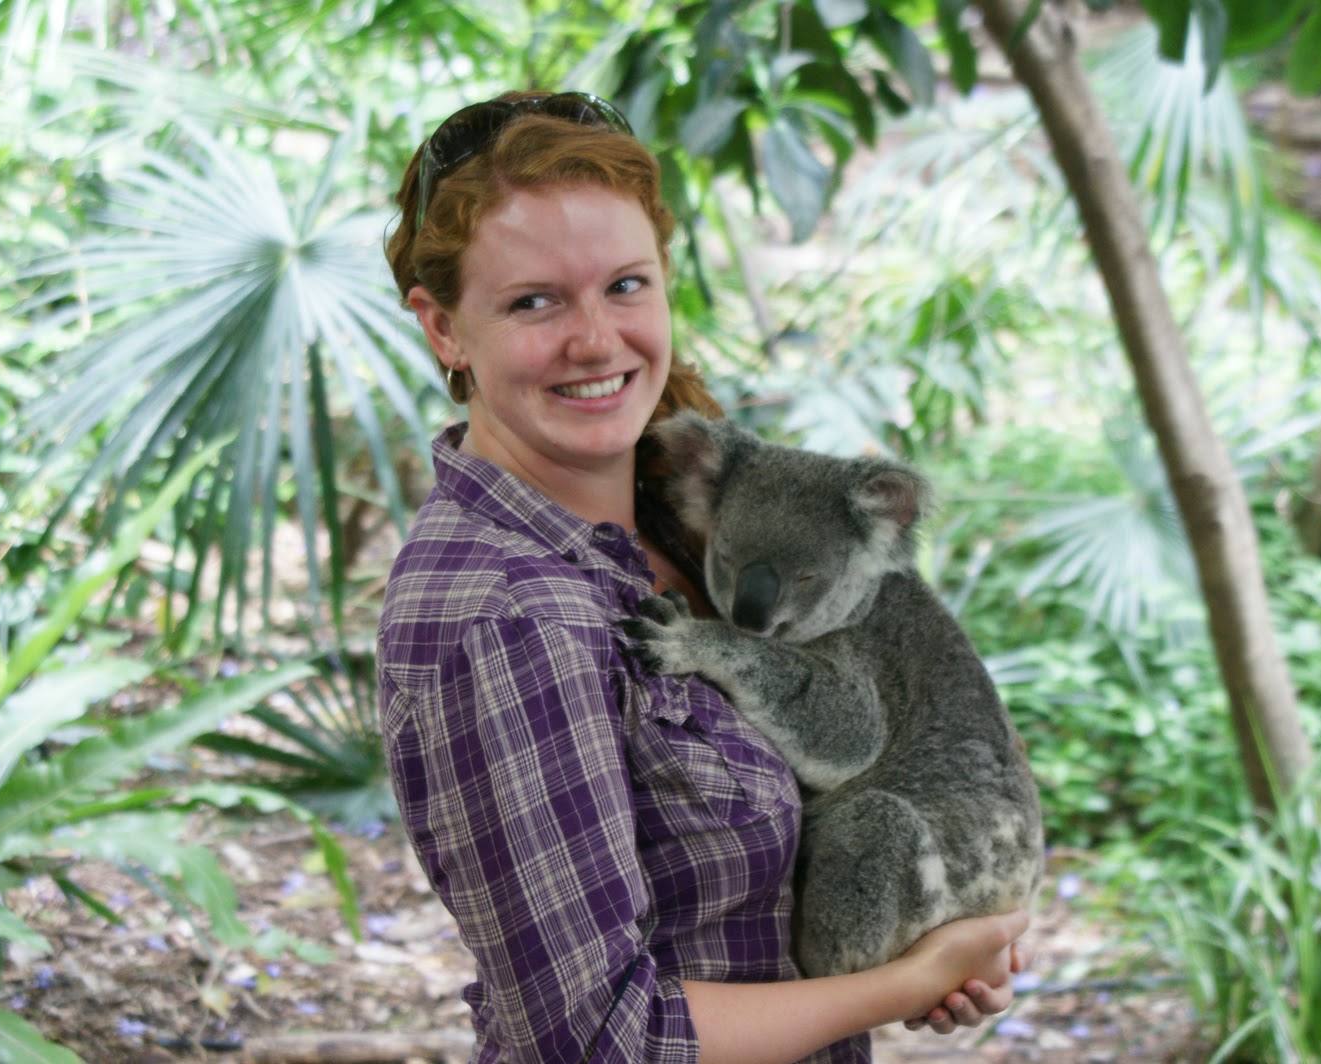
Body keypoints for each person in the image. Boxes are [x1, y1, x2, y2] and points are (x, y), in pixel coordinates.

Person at [379, 90, 1030, 1064]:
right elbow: (601, 1038)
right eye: (533, 301)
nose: (596, 339)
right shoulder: (511, 613)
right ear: (443, 329)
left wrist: (935, 918)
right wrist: (902, 983)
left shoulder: (684, 519)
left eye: (624, 285)